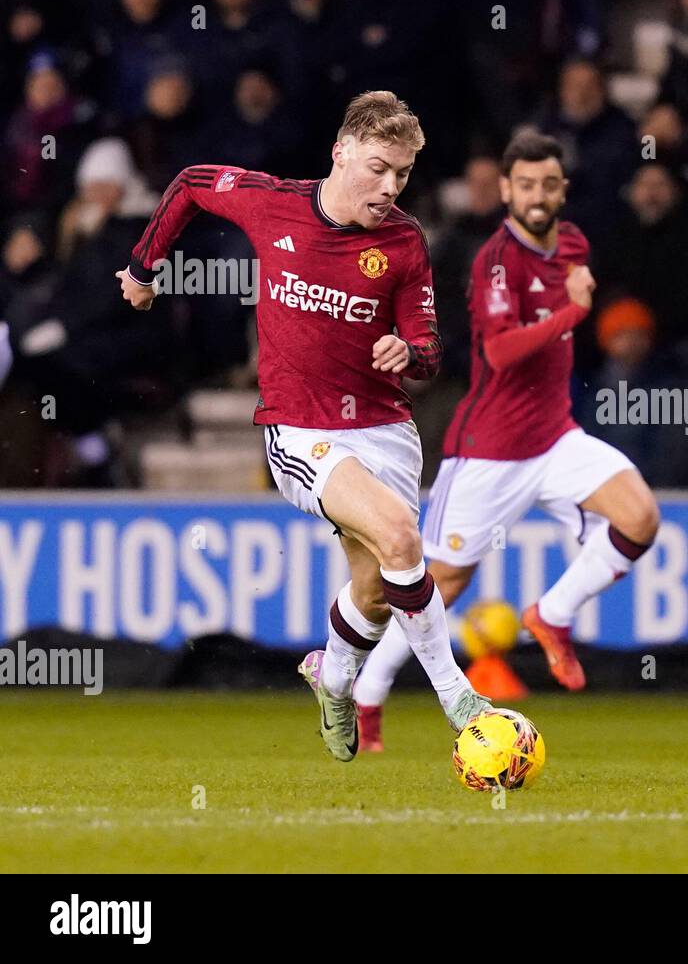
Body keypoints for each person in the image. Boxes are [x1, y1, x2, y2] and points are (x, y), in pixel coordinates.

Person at [118, 90, 490, 762]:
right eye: (378, 168)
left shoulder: (403, 242)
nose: (390, 186)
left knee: (377, 591)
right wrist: (146, 267)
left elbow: (431, 347)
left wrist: (410, 353)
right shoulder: (275, 204)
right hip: (301, 429)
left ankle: (335, 674)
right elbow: (194, 183)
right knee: (403, 537)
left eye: (402, 174)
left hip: (384, 429)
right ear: (340, 152)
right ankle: (459, 700)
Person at [352, 130, 660, 751]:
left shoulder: (572, 242)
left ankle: (552, 614)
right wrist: (573, 314)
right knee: (440, 583)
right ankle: (369, 688)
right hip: (488, 450)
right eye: (526, 184)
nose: (538, 195)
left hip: (556, 438)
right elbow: (499, 349)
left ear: (562, 188)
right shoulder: (495, 260)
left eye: (549, 183)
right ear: (506, 190)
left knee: (641, 518)